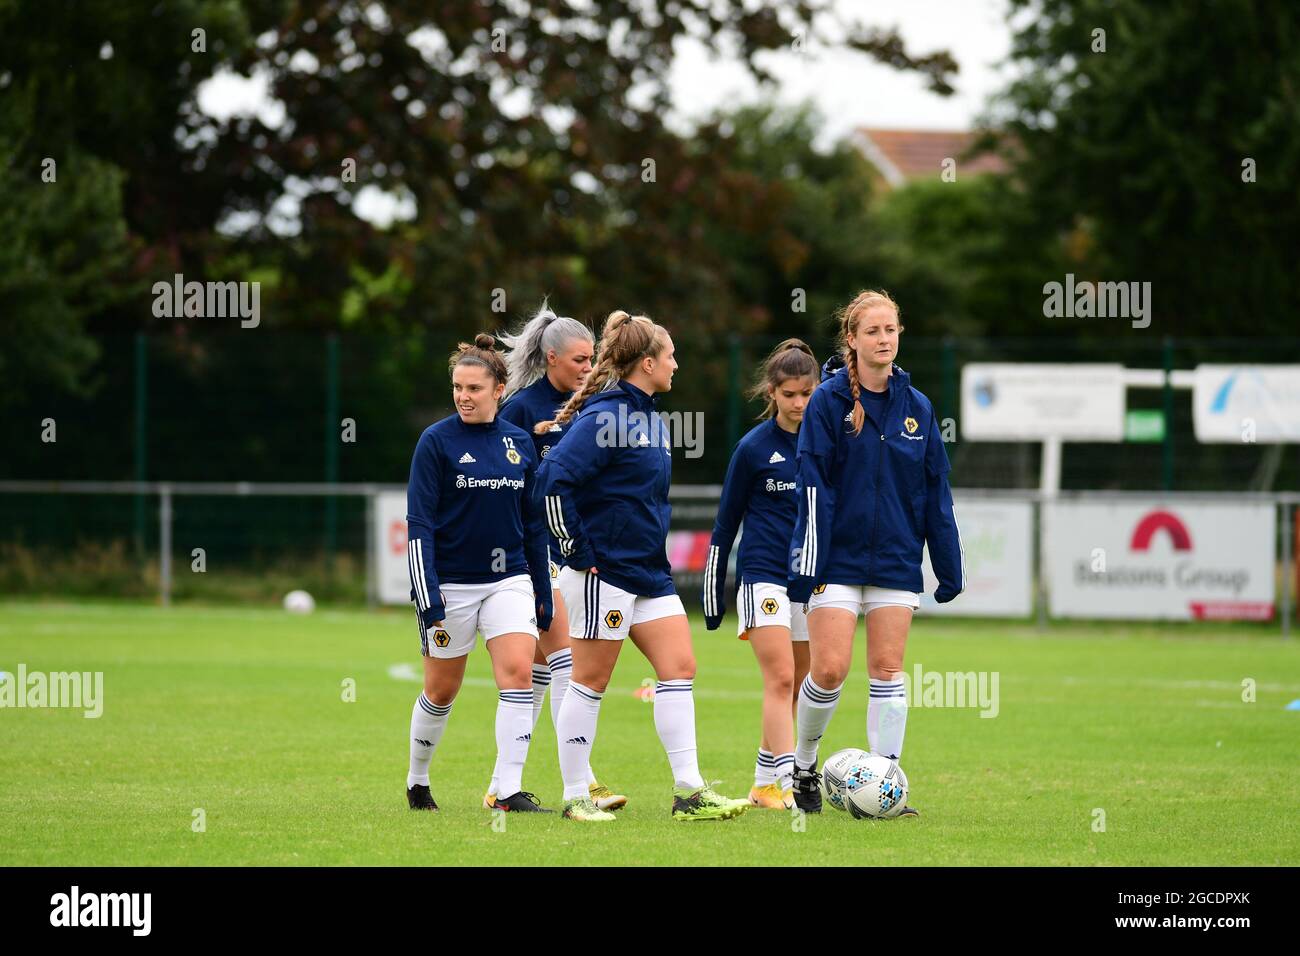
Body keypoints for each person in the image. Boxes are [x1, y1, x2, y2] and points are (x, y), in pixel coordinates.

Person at [536, 310, 749, 822]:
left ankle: (689, 793)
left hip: (649, 571)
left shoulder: (649, 416)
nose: (678, 363)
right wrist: (577, 552)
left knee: (679, 669)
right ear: (648, 362)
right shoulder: (605, 417)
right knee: (590, 682)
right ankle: (573, 797)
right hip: (602, 573)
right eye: (671, 355)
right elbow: (550, 481)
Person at [785, 290, 965, 815]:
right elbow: (812, 486)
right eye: (872, 332)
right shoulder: (827, 402)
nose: (883, 339)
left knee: (888, 671)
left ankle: (887, 785)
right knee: (831, 671)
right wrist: (808, 563)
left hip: (894, 561)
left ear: (899, 335)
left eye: (890, 330)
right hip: (834, 562)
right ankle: (803, 767)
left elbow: (935, 492)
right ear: (852, 340)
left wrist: (947, 565)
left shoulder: (919, 407)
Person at [404, 334, 556, 813]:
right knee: (441, 689)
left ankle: (506, 790)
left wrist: (542, 587)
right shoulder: (436, 442)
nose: (463, 396)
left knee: (517, 675)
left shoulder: (518, 443)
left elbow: (534, 522)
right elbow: (419, 522)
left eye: (473, 387)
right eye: (457, 387)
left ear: (499, 389)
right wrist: (426, 590)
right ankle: (418, 779)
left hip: (509, 579)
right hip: (449, 583)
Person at [489, 301, 627, 812]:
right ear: (551, 358)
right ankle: (583, 782)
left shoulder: (592, 407)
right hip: (535, 552)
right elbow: (508, 483)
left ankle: (499, 783)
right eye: (579, 361)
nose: (588, 369)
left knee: (546, 667)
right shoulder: (522, 410)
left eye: (593, 360)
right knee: (570, 659)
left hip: (575, 552)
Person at [702, 339, 820, 809]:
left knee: (802, 684)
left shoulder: (825, 445)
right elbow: (725, 522)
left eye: (807, 394)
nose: (799, 404)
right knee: (780, 679)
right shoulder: (752, 449)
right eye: (789, 394)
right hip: (763, 575)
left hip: (810, 581)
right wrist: (714, 588)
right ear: (771, 392)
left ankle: (762, 783)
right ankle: (790, 784)